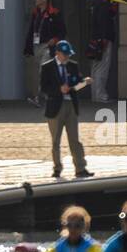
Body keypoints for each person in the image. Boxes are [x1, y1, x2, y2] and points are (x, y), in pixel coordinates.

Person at [40, 39, 93, 179]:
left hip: (71, 106)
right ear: (57, 53)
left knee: (74, 139)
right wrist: (58, 90)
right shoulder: (47, 67)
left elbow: (77, 82)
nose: (67, 57)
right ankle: (57, 168)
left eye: (68, 54)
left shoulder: (73, 65)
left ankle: (80, 168)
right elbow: (43, 88)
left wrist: (84, 82)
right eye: (64, 54)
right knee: (56, 140)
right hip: (55, 107)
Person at [24, 0, 66, 107]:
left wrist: (55, 40)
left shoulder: (54, 13)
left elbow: (62, 31)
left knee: (43, 71)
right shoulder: (36, 13)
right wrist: (28, 48)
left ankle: (39, 97)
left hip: (48, 46)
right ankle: (51, 96)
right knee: (42, 72)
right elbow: (31, 30)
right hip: (37, 46)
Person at [88, 0, 118, 103]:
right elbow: (103, 21)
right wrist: (104, 38)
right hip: (103, 39)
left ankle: (95, 95)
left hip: (96, 38)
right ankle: (100, 95)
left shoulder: (96, 3)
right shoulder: (104, 5)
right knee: (102, 67)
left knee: (96, 67)